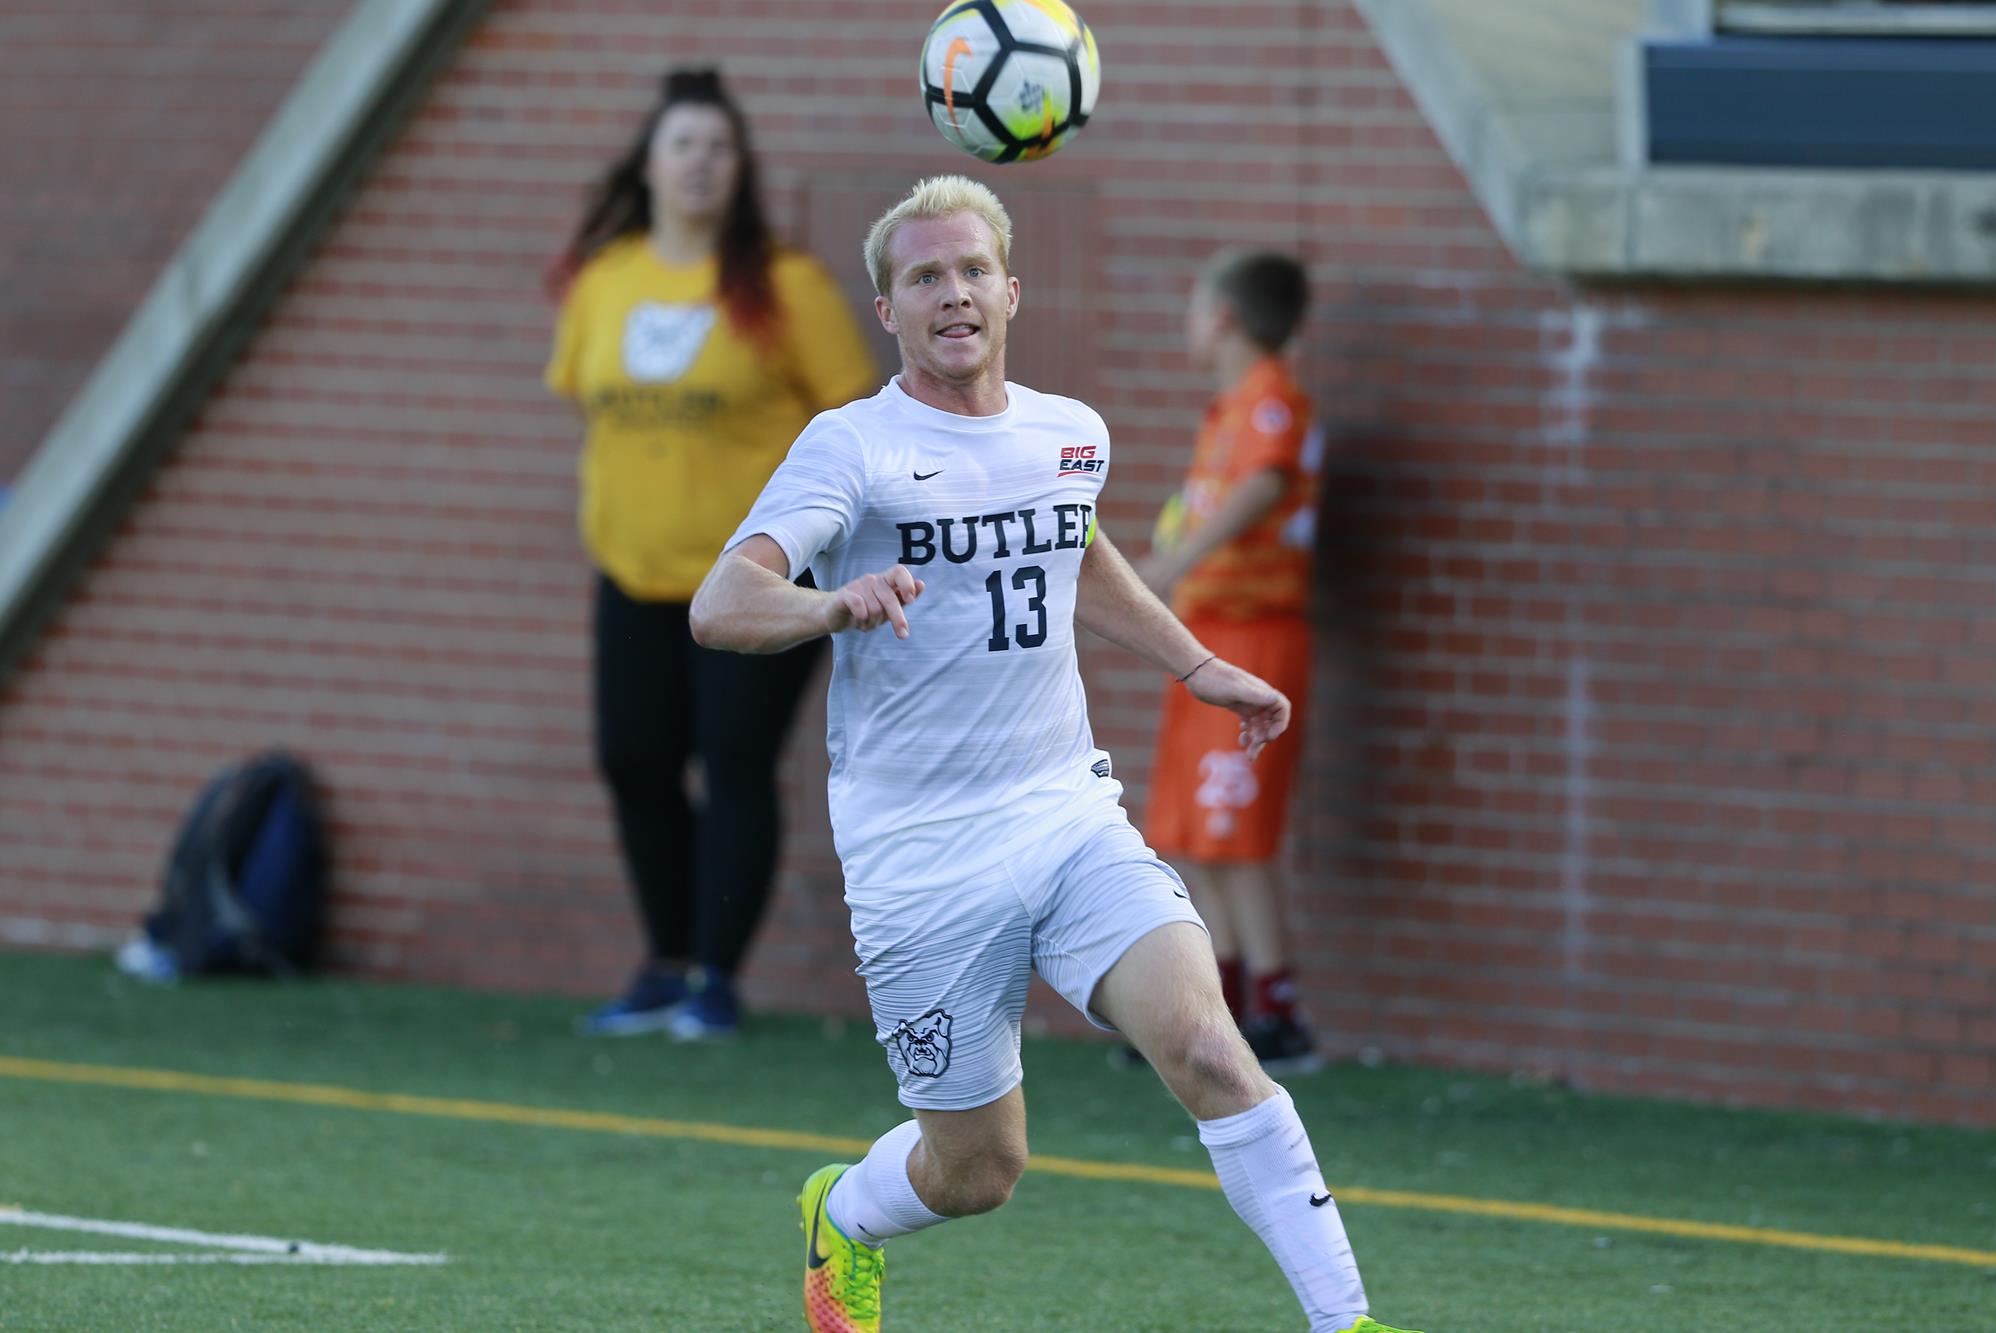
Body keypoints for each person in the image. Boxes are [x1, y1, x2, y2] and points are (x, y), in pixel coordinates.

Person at [688, 177, 1419, 1333]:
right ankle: (846, 1212)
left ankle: (1348, 1323)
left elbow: (1071, 548)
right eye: (924, 276)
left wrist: (1193, 663)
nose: (952, 292)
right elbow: (720, 603)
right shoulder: (852, 444)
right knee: (977, 1170)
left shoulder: (1067, 433)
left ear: (1010, 291)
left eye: (971, 269)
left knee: (1208, 1047)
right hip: (917, 852)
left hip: (1063, 814)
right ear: (888, 310)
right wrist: (830, 604)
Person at [545, 68, 876, 1041]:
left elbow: (854, 425)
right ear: (648, 164)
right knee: (633, 761)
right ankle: (665, 963)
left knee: (734, 761)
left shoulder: (785, 285)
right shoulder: (604, 282)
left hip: (758, 581)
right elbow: (586, 403)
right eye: (683, 144)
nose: (701, 162)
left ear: (741, 169)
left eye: (719, 147)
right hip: (633, 573)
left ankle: (715, 980)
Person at [1136, 248, 1324, 1071]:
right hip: (1208, 638)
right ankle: (1225, 1005)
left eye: (1194, 307)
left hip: (1252, 638)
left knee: (1234, 832)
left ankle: (1278, 1015)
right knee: (1192, 833)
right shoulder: (1229, 408)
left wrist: (1174, 563)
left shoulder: (1270, 399)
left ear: (1222, 319)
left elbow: (1265, 483)